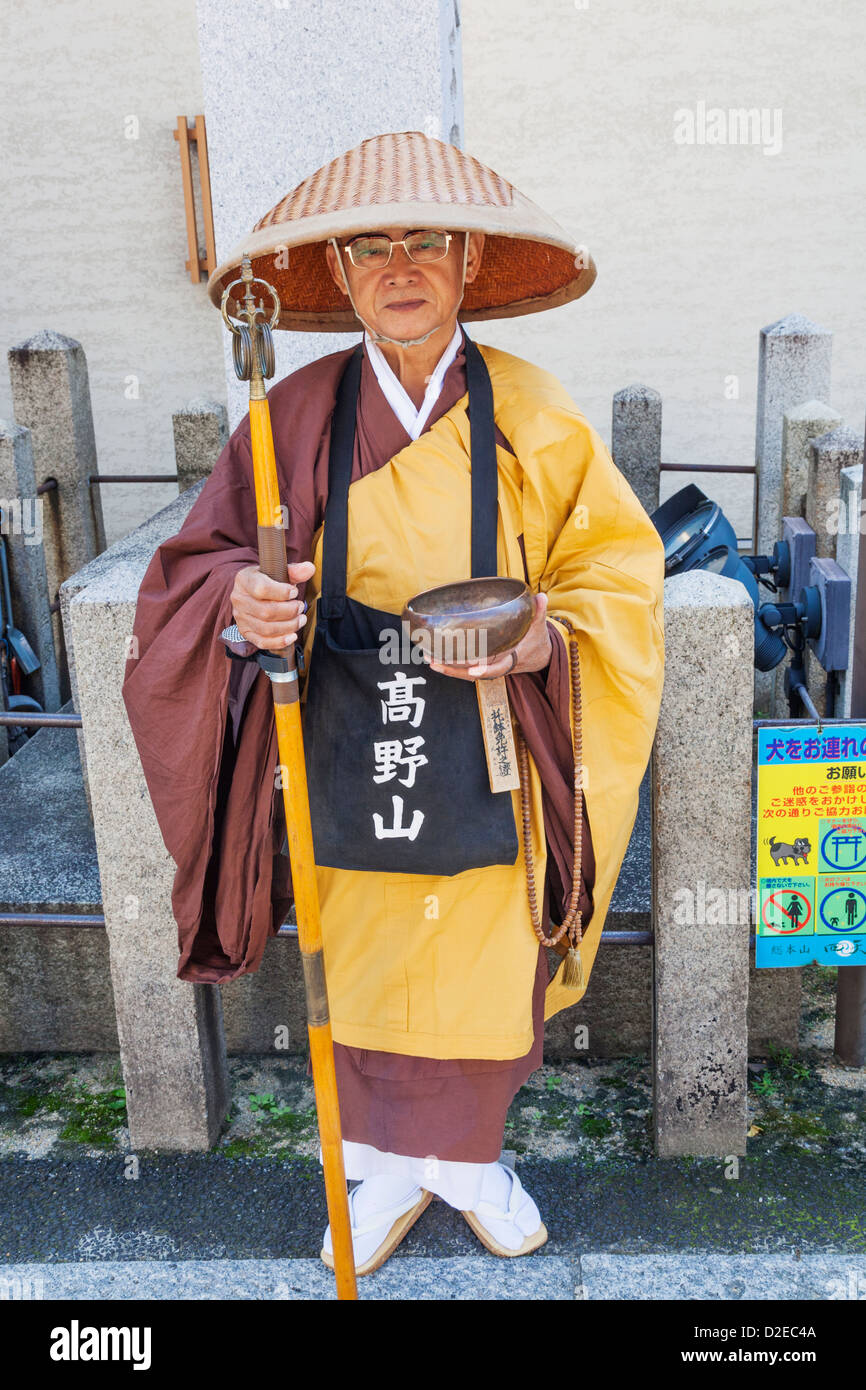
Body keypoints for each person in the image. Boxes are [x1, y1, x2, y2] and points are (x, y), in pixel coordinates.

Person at [122, 130, 665, 1277]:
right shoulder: (295, 415)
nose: (401, 266)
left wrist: (540, 637)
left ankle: (467, 1165)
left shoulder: (533, 411)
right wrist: (244, 606)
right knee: (358, 954)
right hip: (340, 741)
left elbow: (615, 573)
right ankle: (376, 1171)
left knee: (480, 949)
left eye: (427, 242)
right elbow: (198, 568)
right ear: (345, 273)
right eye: (373, 247)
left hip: (490, 742)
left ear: (467, 261)